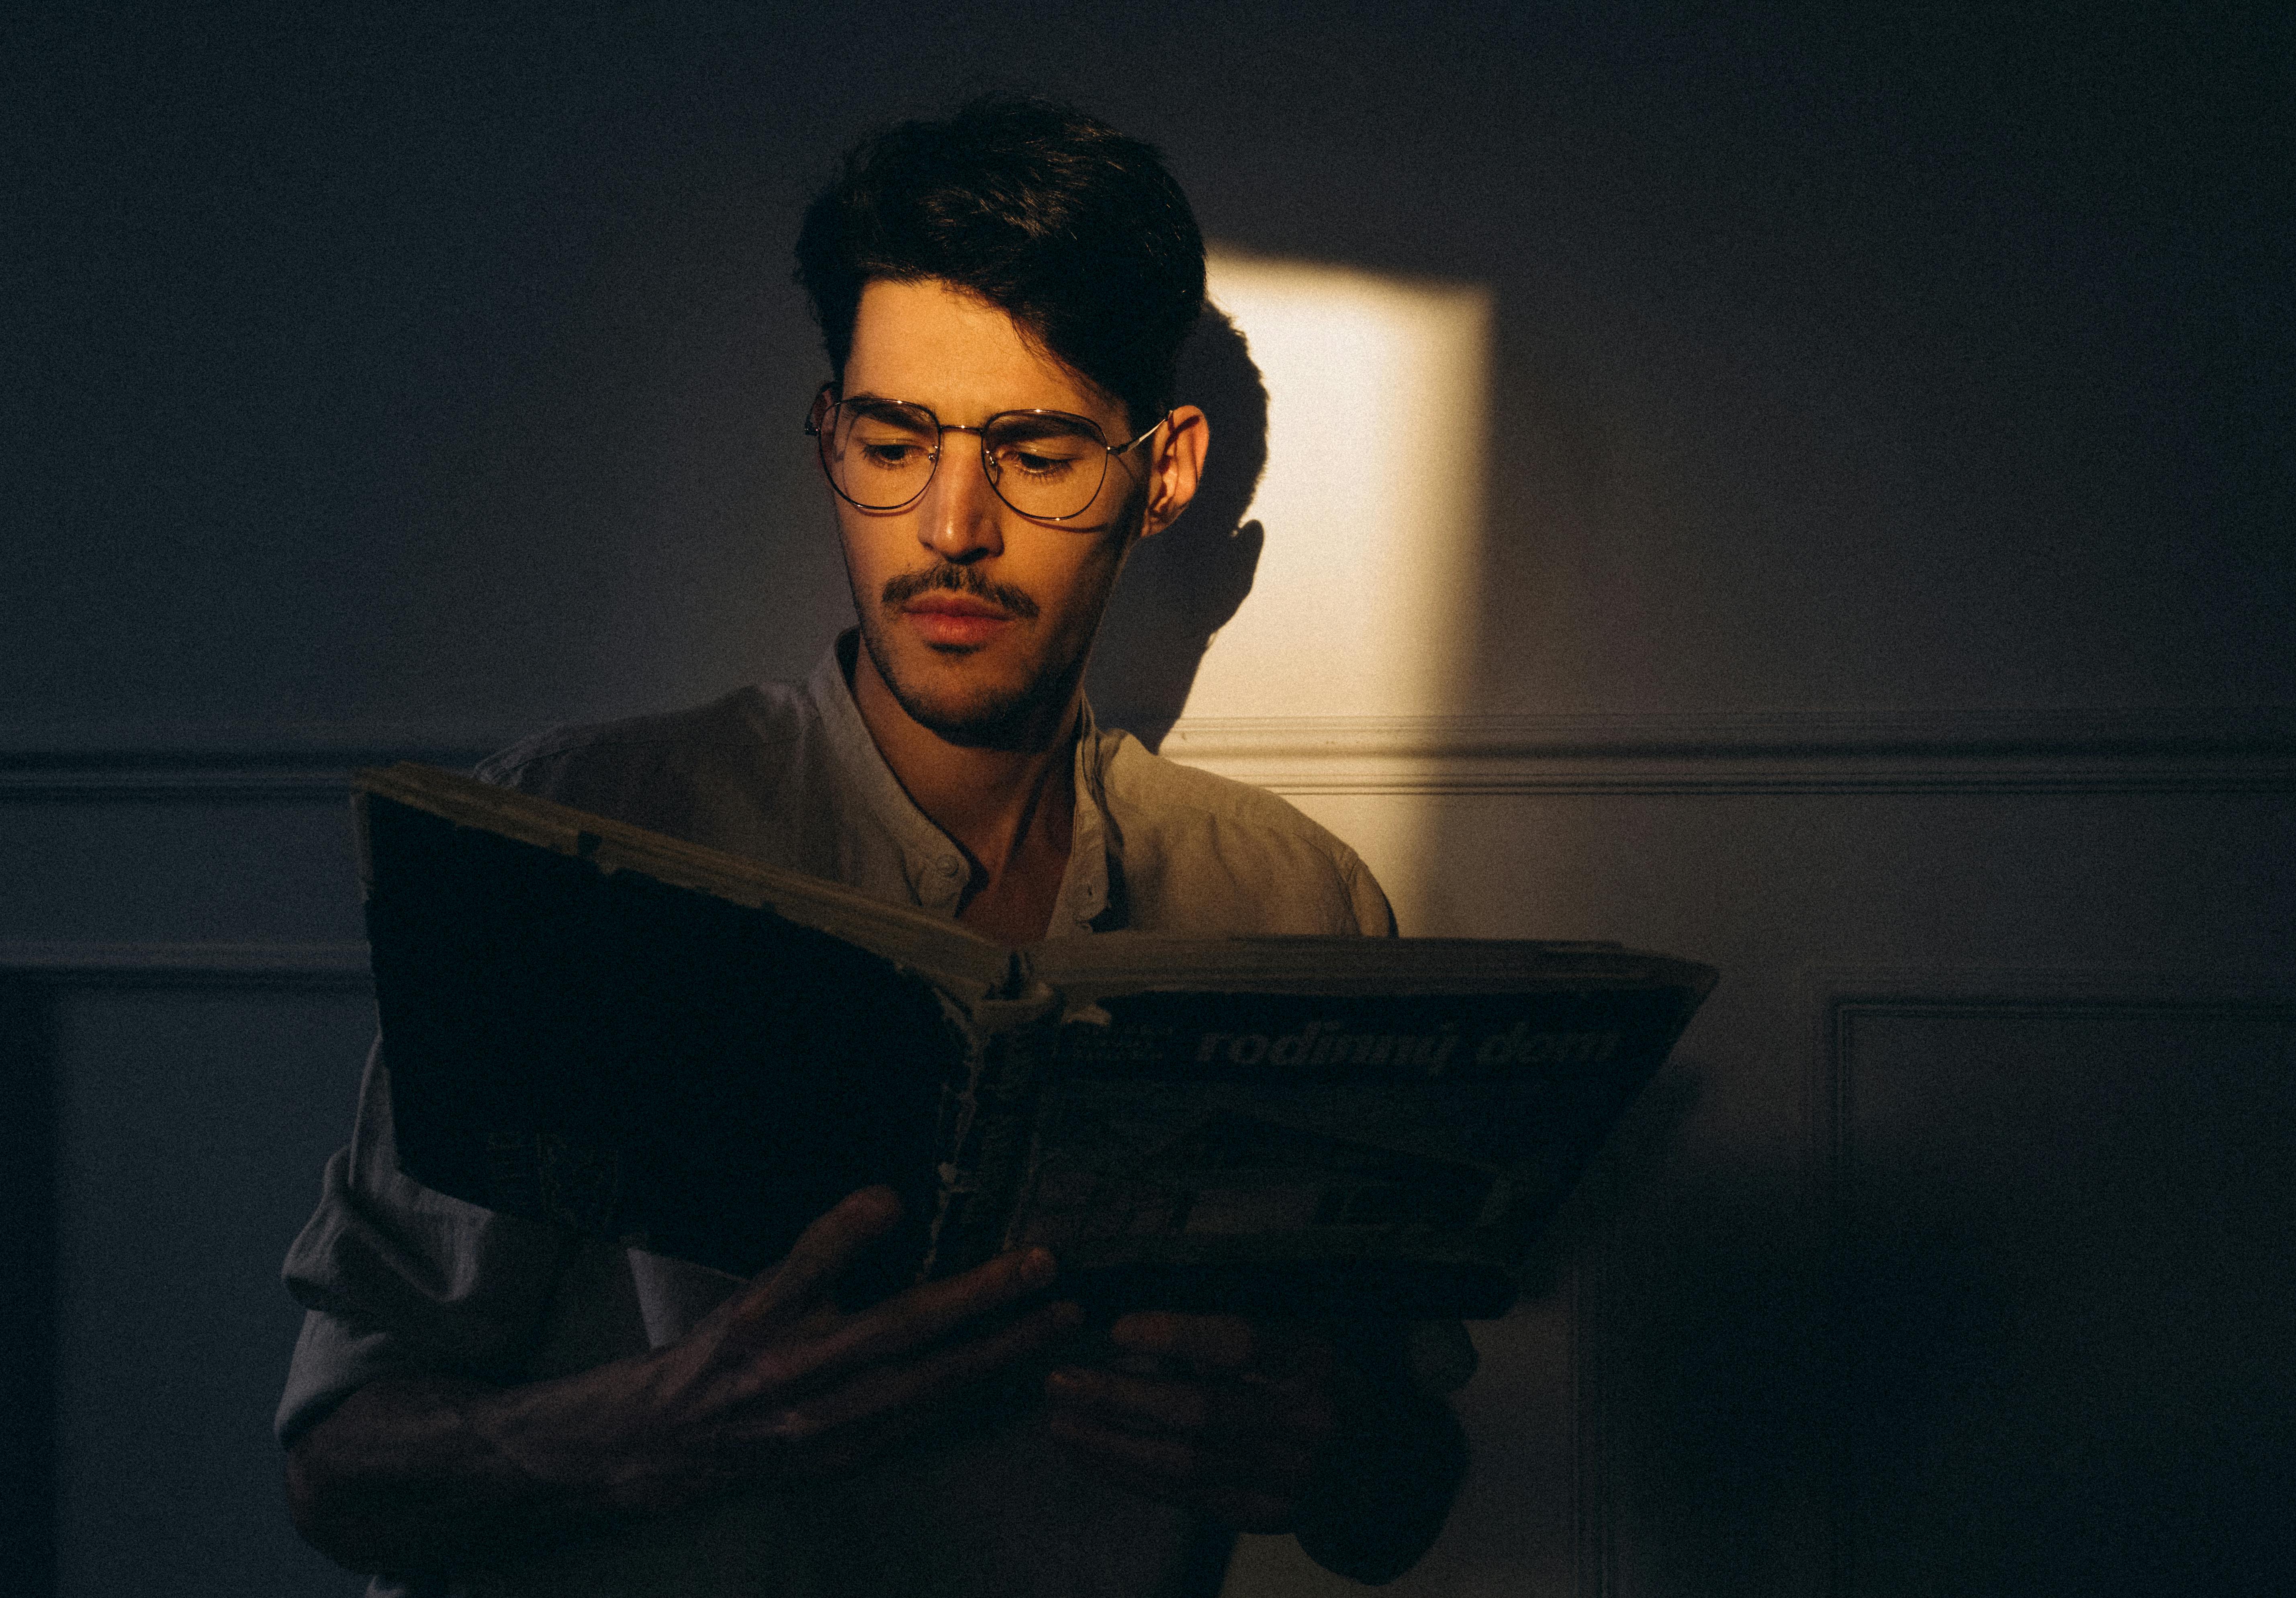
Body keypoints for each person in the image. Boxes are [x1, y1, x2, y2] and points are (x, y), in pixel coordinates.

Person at [277, 96, 1471, 1595]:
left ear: (1162, 474)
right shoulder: (578, 832)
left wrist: (1339, 1451)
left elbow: (1398, 1490)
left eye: (1033, 451)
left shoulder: (1293, 900)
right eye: (896, 440)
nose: (951, 525)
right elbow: (335, 1466)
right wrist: (665, 1426)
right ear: (831, 433)